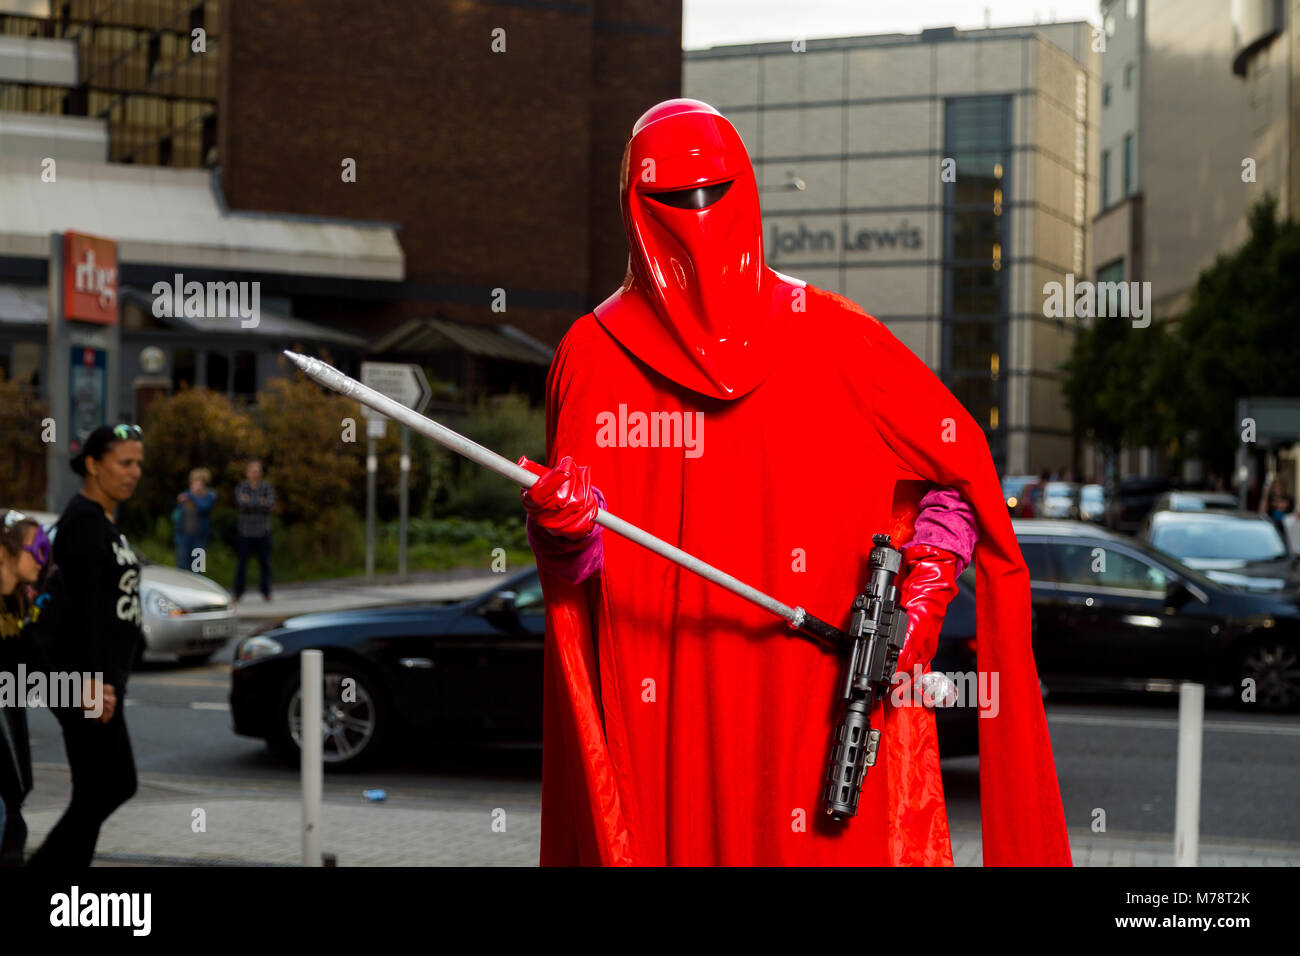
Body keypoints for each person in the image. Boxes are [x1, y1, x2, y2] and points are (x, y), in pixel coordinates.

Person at [518, 99, 1069, 865]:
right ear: (633, 210)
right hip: (664, 718)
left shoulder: (836, 337)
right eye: (673, 201)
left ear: (746, 192)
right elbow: (580, 582)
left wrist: (924, 591)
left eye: (714, 192)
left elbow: (959, 473)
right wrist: (562, 532)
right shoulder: (595, 356)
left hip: (819, 714)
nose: (698, 217)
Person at [27, 424, 143, 868]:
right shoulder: (83, 522)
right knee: (111, 785)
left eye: (138, 464)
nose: (133, 473)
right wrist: (95, 683)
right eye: (124, 463)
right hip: (85, 682)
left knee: (98, 789)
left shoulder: (102, 521)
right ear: (93, 465)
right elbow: (84, 614)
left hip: (99, 681)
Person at [0, 510, 58, 865]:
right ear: (4, 554)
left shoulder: (16, 603)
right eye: (34, 548)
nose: (42, 556)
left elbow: (34, 666)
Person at [233, 459, 275, 602]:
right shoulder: (242, 487)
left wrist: (251, 502)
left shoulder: (266, 487)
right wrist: (259, 502)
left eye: (258, 470)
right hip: (245, 532)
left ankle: (266, 592)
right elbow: (241, 504)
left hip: (263, 531)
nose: (256, 473)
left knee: (265, 564)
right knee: (242, 564)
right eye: (253, 470)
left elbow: (269, 504)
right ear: (247, 472)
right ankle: (238, 593)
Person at [173, 467, 216, 571]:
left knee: (197, 568)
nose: (193, 484)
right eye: (192, 482)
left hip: (199, 538)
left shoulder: (209, 495)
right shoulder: (187, 494)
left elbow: (204, 507)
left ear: (204, 483)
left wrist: (193, 496)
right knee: (181, 567)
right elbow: (177, 511)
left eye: (197, 482)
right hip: (183, 536)